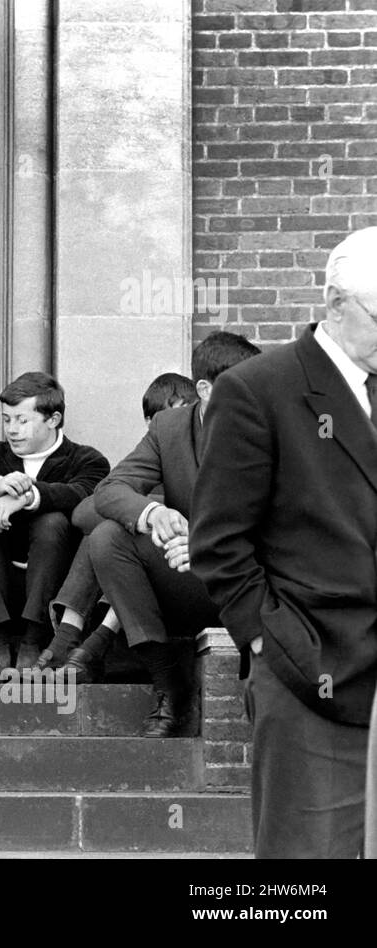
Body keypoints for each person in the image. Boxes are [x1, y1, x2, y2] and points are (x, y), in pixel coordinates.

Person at [192, 226, 377, 858]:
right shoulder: (259, 390)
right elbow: (218, 541)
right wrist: (271, 641)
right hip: (311, 675)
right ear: (335, 304)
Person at [75, 333, 260, 737]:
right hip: (186, 583)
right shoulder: (169, 426)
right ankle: (167, 683)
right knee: (108, 538)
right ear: (206, 390)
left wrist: (208, 545)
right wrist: (152, 512)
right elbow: (109, 491)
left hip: (250, 584)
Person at [37, 371, 200, 671]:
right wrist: (146, 513)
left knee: (114, 532)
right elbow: (85, 511)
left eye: (181, 413)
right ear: (150, 424)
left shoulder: (194, 466)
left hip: (181, 575)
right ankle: (74, 638)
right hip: (128, 576)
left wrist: (145, 513)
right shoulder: (144, 465)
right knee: (107, 528)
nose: (172, 425)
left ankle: (84, 639)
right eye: (159, 418)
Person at [0, 371, 109, 670]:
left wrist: (25, 497)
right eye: (6, 419)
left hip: (51, 596)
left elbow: (80, 495)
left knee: (52, 521)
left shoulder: (87, 460)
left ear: (52, 419)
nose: (12, 430)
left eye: (22, 420)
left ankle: (32, 640)